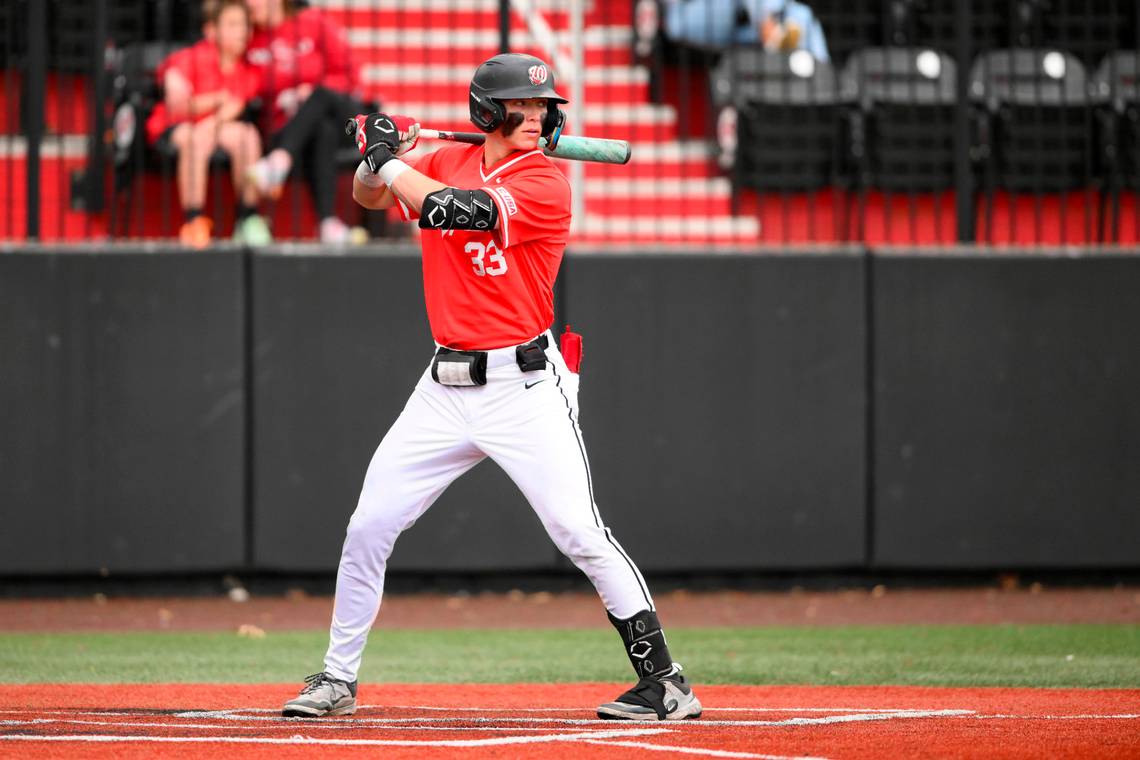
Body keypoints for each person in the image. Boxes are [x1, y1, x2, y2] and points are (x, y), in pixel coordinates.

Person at [281, 53, 702, 723]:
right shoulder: (445, 160)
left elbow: (455, 213)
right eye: (522, 106)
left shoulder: (546, 184)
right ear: (487, 112)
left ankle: (666, 682)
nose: (537, 116)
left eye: (543, 107)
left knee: (578, 531)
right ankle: (337, 678)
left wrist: (393, 164)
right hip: (444, 384)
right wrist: (375, 158)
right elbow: (369, 198)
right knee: (369, 525)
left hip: (525, 385)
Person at [145, 0, 271, 248]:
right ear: (211, 30)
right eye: (233, 24)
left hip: (215, 127)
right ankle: (194, 222)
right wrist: (214, 100)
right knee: (194, 138)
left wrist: (207, 114)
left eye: (245, 25)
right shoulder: (190, 56)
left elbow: (234, 107)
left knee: (248, 134)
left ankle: (247, 218)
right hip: (177, 126)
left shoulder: (249, 70)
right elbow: (178, 105)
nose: (242, 31)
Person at [243, 0, 367, 244]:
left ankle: (279, 161)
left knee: (319, 96)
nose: (248, 4)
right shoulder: (250, 38)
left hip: (338, 112)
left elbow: (350, 76)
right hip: (284, 126)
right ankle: (327, 223)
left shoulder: (312, 22)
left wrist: (308, 94)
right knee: (322, 129)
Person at [664, 0, 830, 62]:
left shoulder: (802, 17)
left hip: (765, 43)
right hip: (731, 26)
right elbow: (674, 27)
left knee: (802, 19)